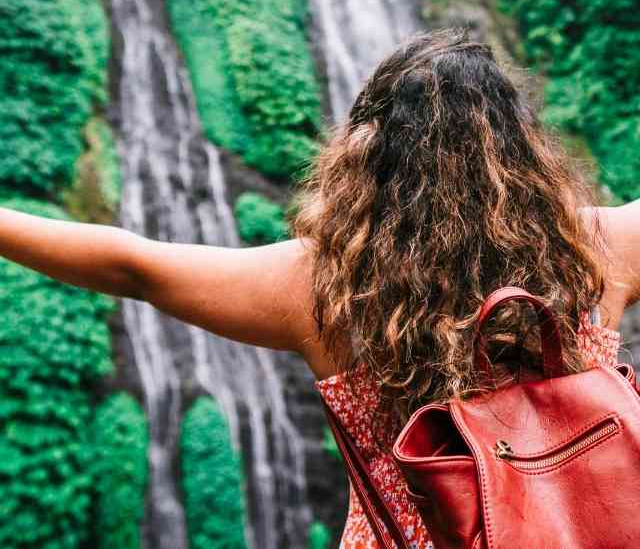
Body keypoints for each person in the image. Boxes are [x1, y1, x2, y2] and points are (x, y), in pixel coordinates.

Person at [0, 27, 638, 548]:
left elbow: (133, 266)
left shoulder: (325, 287)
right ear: (524, 147)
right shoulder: (594, 250)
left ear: (367, 152)